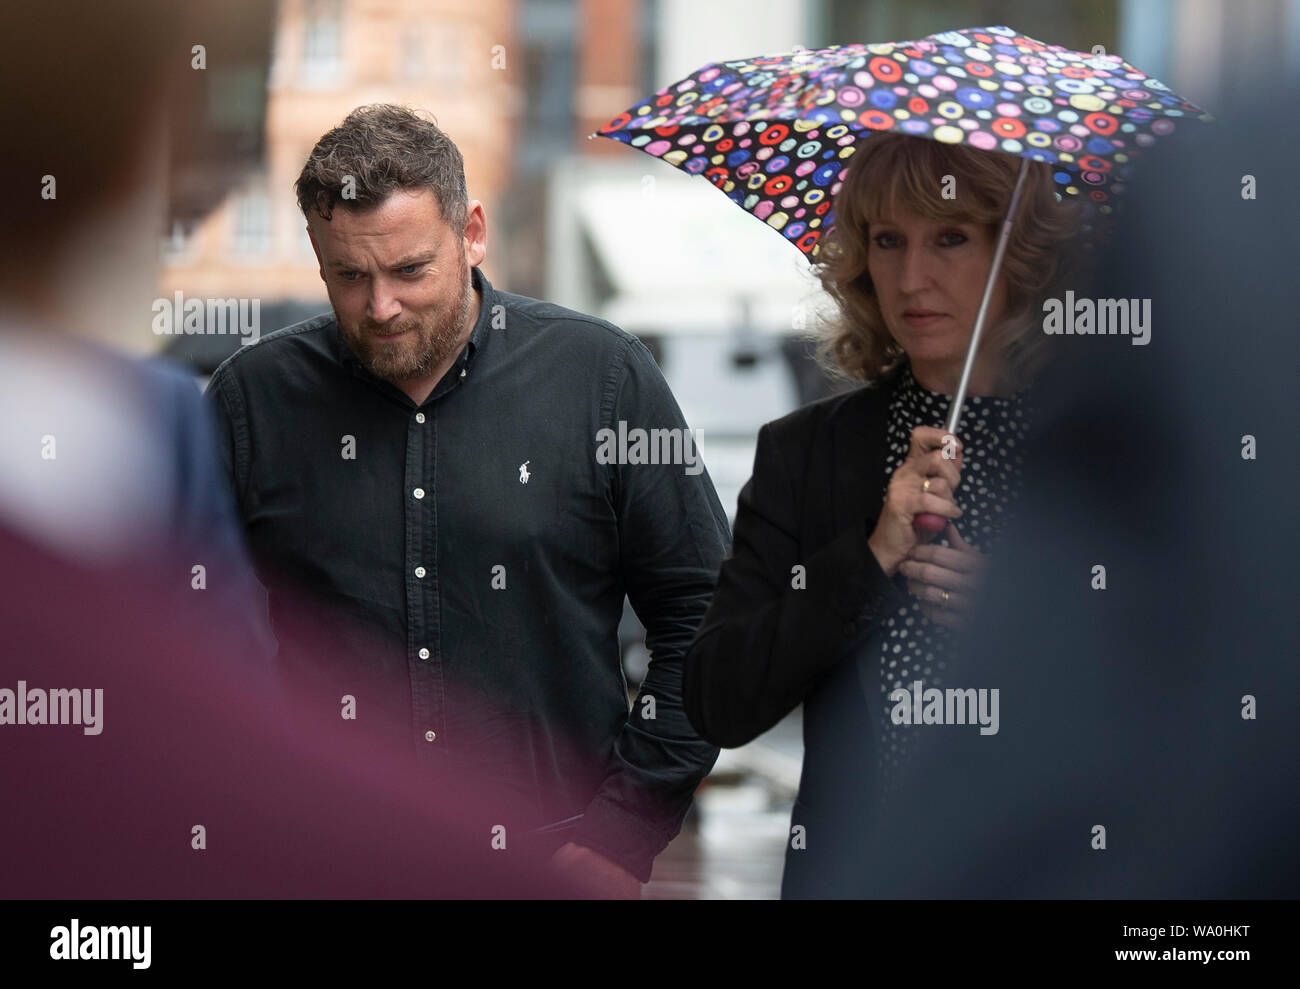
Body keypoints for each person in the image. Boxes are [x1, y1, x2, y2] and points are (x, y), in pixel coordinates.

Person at [205, 105, 731, 898]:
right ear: (318, 258)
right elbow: (182, 629)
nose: (380, 307)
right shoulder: (253, 400)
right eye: (350, 276)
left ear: (472, 232)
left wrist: (620, 838)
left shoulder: (603, 380)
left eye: (410, 269)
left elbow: (708, 616)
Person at [683, 132, 1083, 898]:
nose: (912, 275)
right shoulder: (808, 453)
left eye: (951, 238)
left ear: (1021, 256)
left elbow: (1175, 691)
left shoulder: (1093, 451)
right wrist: (866, 560)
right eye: (888, 240)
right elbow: (717, 697)